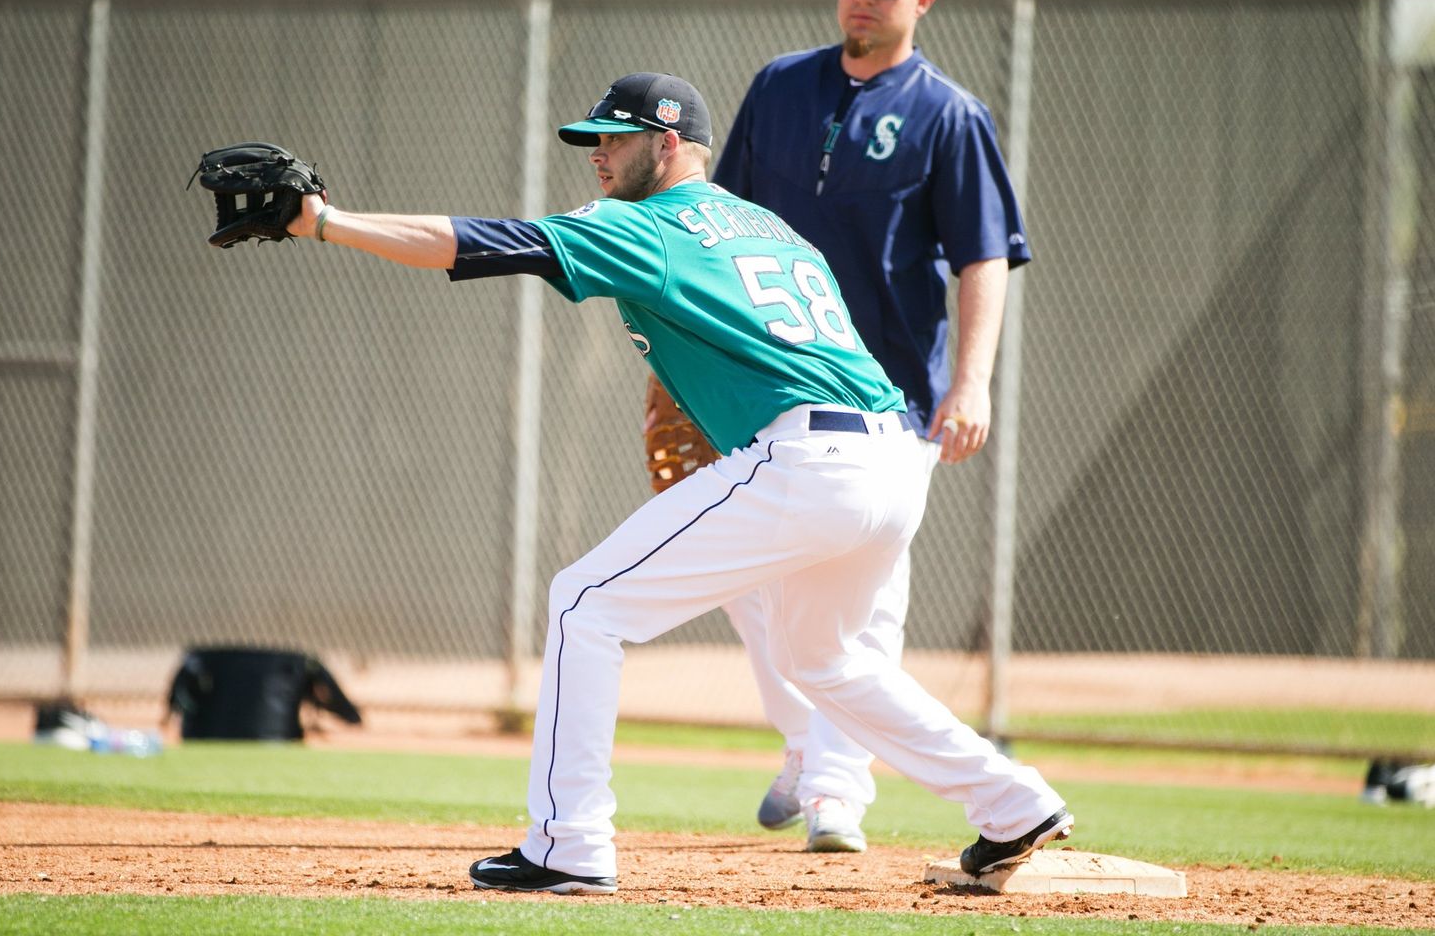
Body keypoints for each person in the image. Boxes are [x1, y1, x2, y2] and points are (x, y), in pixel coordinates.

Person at [285, 71, 1071, 894]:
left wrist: (326, 222)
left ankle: (569, 844)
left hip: (807, 462)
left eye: (614, 138)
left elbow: (487, 243)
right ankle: (1014, 805)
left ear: (668, 144)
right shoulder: (768, 226)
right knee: (828, 660)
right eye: (591, 139)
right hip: (888, 458)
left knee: (585, 604)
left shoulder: (645, 224)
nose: (597, 154)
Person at [638, 0, 1036, 856]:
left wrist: (971, 383)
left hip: (886, 398)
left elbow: (984, 258)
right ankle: (805, 745)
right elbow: (707, 222)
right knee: (753, 588)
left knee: (863, 606)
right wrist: (672, 365)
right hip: (755, 385)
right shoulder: (780, 86)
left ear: (922, 1)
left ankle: (835, 789)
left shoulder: (948, 114)